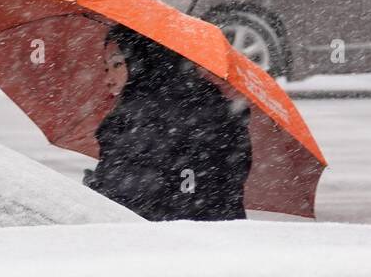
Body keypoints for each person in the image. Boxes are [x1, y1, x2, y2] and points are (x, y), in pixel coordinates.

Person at [84, 26, 252, 221]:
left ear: (141, 61)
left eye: (117, 64)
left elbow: (127, 194)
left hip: (165, 239)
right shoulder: (212, 104)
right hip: (224, 234)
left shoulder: (145, 117)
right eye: (105, 67)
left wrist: (94, 188)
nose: (108, 79)